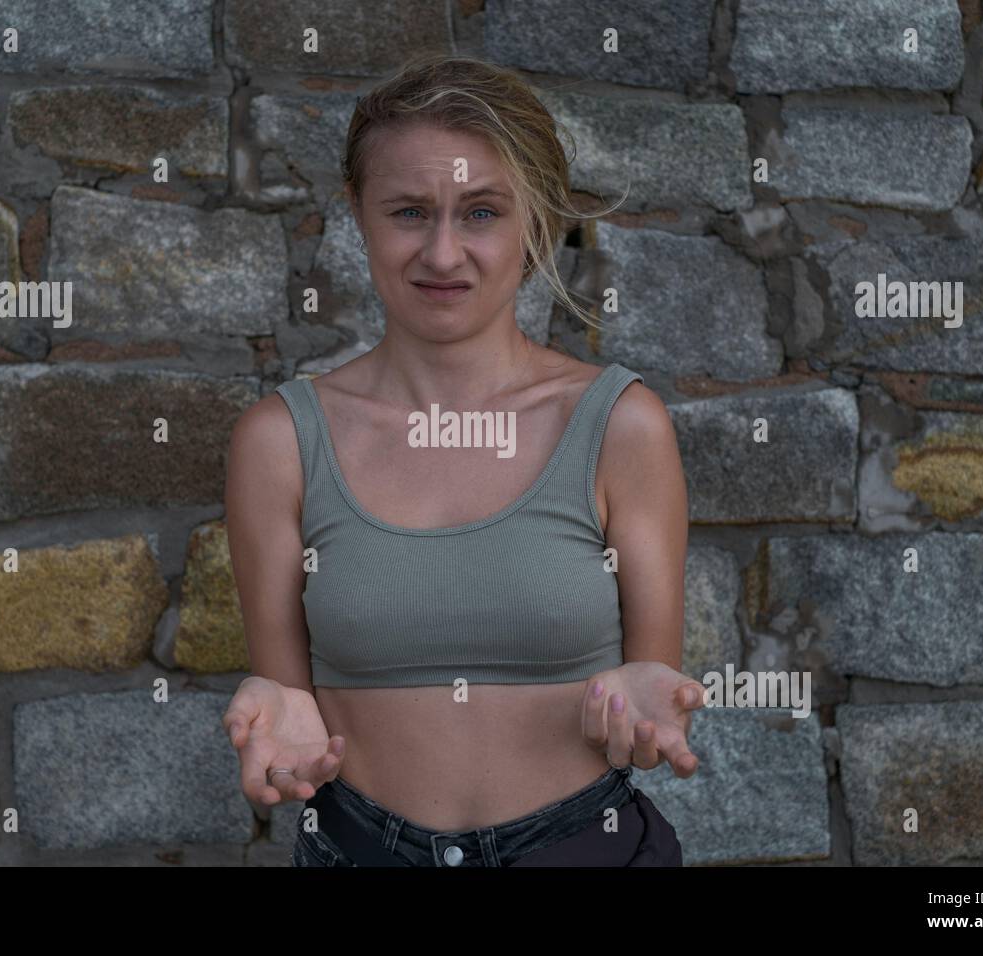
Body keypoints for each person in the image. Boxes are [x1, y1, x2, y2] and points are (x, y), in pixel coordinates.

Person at [222, 52, 700, 867]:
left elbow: (653, 689)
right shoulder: (279, 440)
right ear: (359, 215)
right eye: (410, 212)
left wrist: (650, 703)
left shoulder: (622, 425)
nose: (443, 256)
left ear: (536, 221)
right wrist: (280, 715)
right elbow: (286, 701)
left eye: (481, 213)